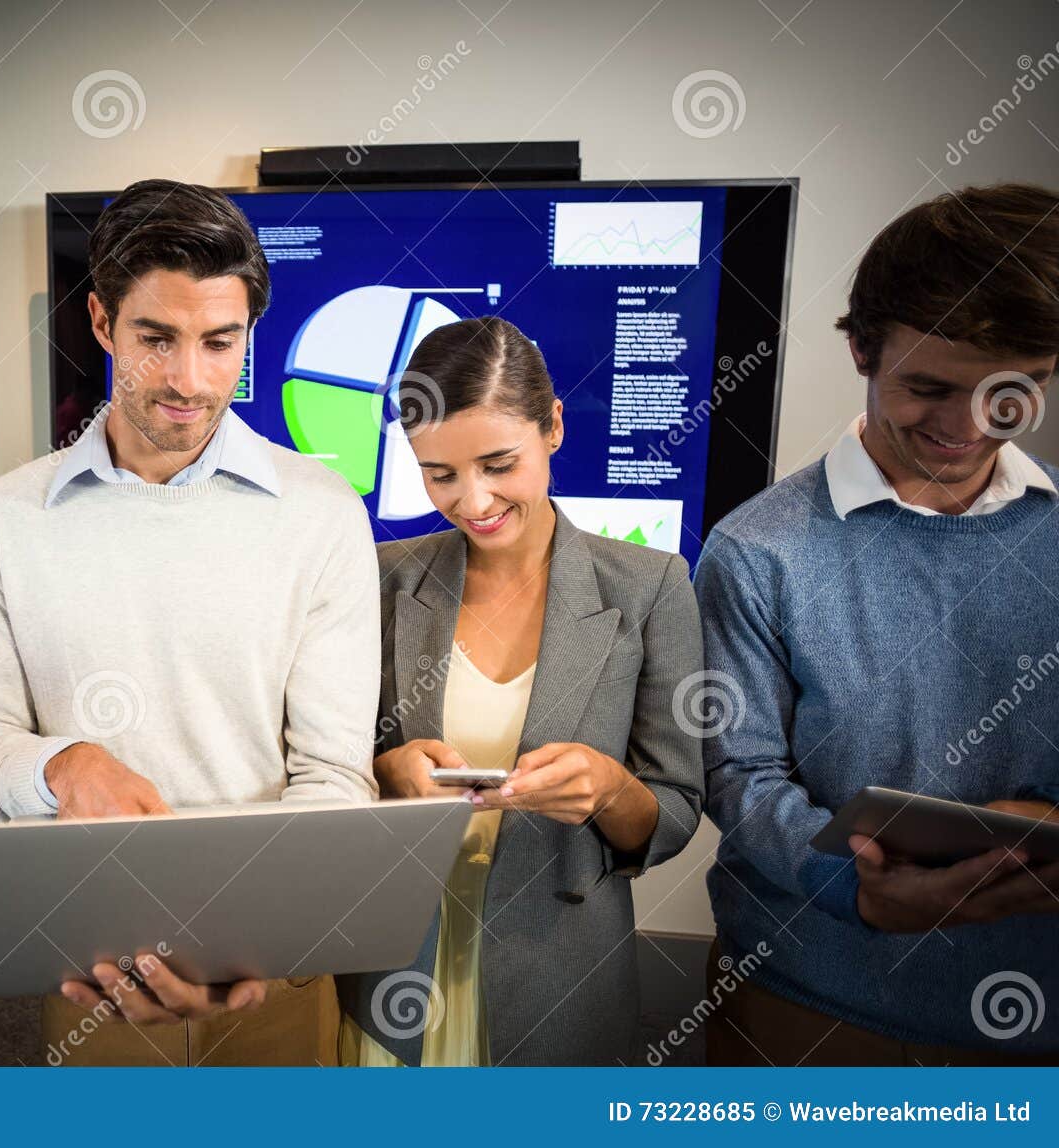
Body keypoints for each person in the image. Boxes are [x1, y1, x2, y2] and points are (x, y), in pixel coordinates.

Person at [0, 178, 380, 1066]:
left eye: (220, 342)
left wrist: (249, 941)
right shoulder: (6, 515)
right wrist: (64, 766)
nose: (188, 379)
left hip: (272, 975)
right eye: (156, 339)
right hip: (91, 976)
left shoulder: (323, 511)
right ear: (102, 323)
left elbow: (334, 773)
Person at [697, 182, 1059, 1064]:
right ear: (861, 346)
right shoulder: (755, 551)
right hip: (808, 1008)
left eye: (1014, 391)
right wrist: (847, 884)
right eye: (928, 387)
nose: (969, 426)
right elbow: (739, 777)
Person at [336, 317, 705, 1066]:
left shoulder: (650, 586)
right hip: (395, 970)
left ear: (554, 427)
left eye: (498, 463)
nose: (473, 500)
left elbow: (674, 815)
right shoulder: (381, 577)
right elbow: (322, 768)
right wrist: (385, 773)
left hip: (559, 977)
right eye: (440, 474)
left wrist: (608, 787)